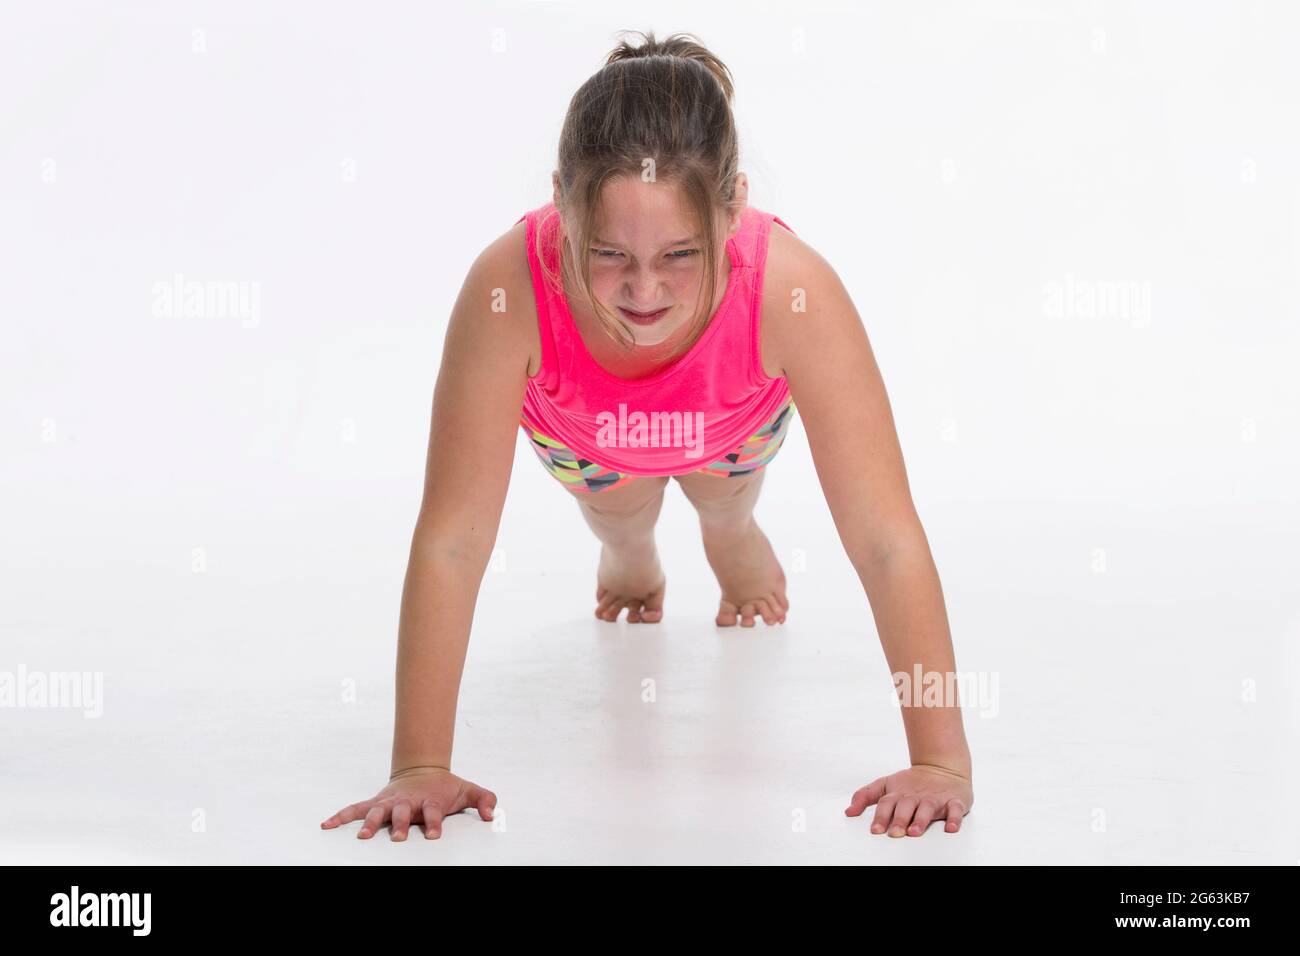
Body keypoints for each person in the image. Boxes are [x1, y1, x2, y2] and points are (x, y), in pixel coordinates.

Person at [321, 30, 973, 844]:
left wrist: (940, 759)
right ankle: (631, 557)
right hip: (586, 434)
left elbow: (884, 536)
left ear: (732, 207)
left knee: (721, 490)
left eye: (680, 255)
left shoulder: (794, 290)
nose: (643, 290)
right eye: (605, 254)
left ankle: (731, 534)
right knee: (619, 510)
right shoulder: (506, 290)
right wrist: (418, 764)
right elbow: (453, 538)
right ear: (562, 204)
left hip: (731, 424)